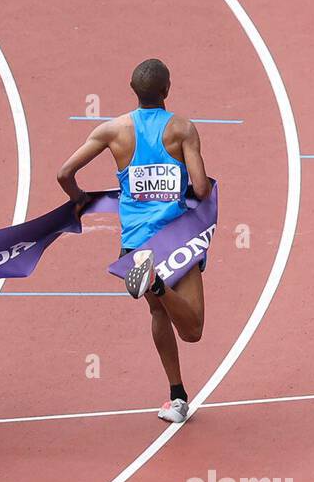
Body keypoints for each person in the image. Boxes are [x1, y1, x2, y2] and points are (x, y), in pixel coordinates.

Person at [57, 58, 210, 423]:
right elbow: (201, 189)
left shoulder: (113, 131)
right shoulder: (183, 129)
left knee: (158, 312)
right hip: (176, 237)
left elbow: (64, 173)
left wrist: (81, 200)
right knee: (193, 331)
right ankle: (156, 284)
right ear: (167, 90)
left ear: (132, 89)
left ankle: (176, 397)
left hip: (136, 244)